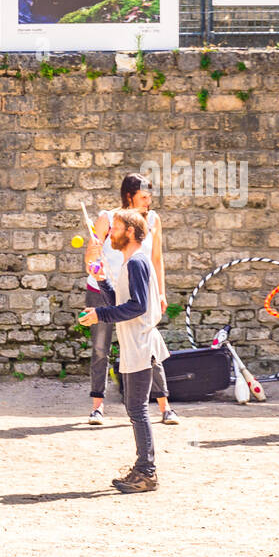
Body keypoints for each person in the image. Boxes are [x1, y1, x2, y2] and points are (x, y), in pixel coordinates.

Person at [81, 209, 170, 494]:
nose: (110, 233)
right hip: (134, 344)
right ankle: (144, 468)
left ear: (130, 232)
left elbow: (138, 306)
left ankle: (147, 472)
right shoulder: (130, 262)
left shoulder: (138, 263)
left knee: (138, 409)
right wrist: (103, 280)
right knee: (135, 408)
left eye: (116, 227)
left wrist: (100, 315)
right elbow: (122, 301)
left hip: (141, 344)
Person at [83, 174, 177, 426]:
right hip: (103, 290)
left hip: (136, 293)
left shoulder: (154, 220)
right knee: (100, 348)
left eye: (149, 197)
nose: (148, 202)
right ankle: (97, 407)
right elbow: (90, 260)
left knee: (149, 345)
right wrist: (92, 257)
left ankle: (165, 407)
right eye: (143, 197)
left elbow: (157, 259)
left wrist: (161, 292)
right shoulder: (108, 219)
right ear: (129, 196)